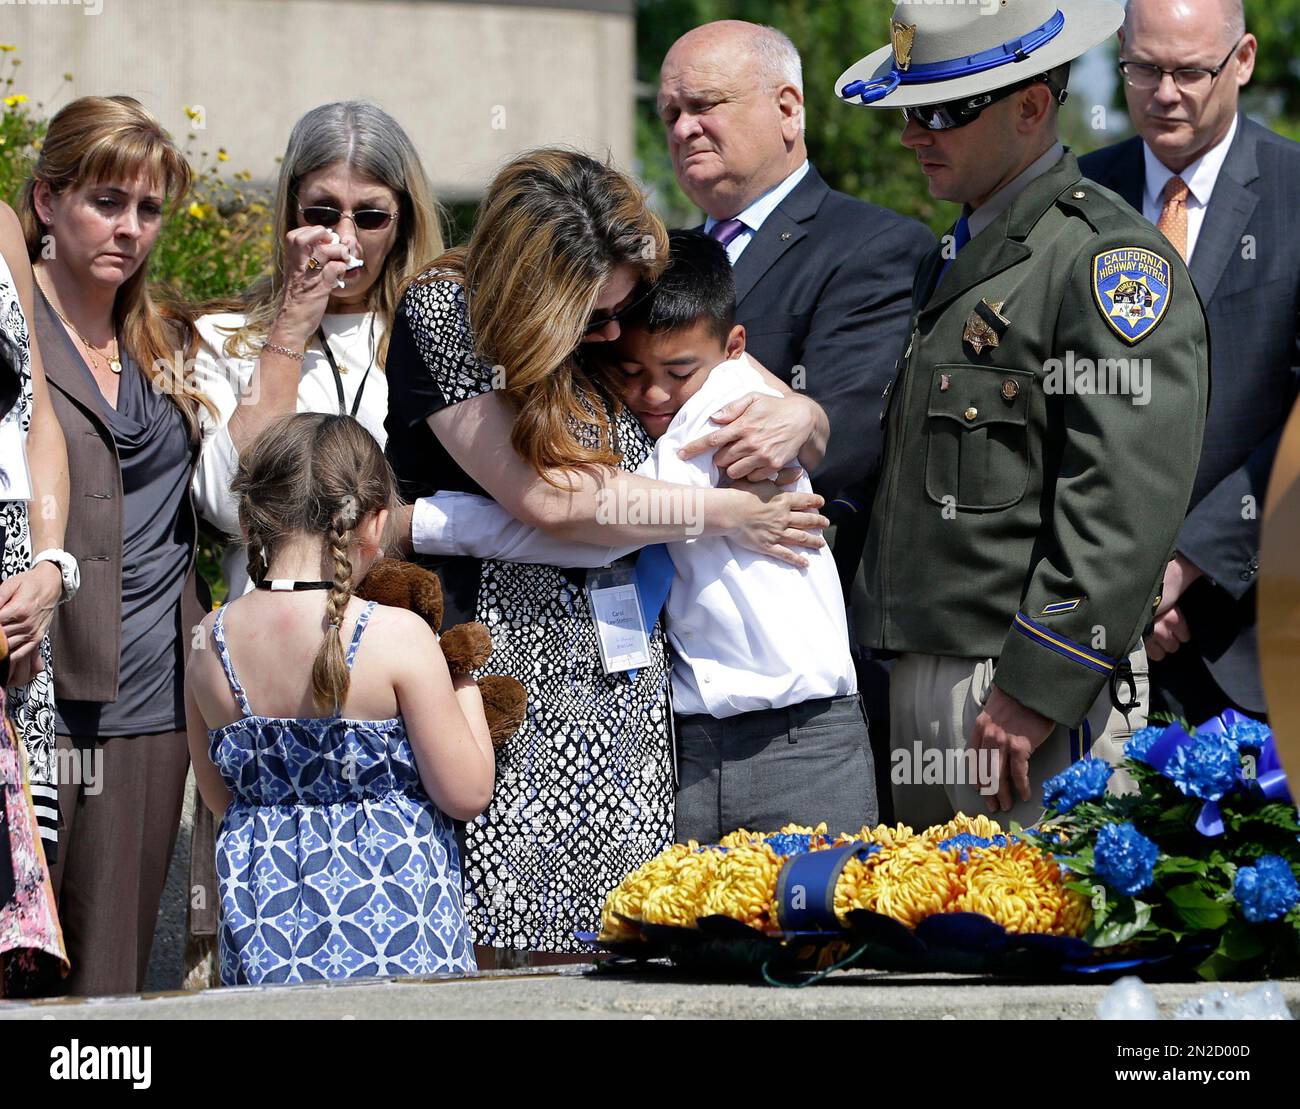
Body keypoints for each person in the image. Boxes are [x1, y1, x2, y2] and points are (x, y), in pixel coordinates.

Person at [384, 149, 829, 960]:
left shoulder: (618, 289)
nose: (615, 336)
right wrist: (728, 511)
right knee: (496, 956)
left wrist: (803, 413)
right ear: (537, 297)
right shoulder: (448, 315)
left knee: (618, 957)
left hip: (620, 691)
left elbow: (766, 396)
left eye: (620, 312)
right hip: (494, 677)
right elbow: (553, 500)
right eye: (593, 322)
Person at [835, 0, 1210, 827]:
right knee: (935, 945)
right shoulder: (962, 253)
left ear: (1032, 107)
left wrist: (1039, 683)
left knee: (1032, 946)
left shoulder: (1105, 260)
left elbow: (1121, 500)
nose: (912, 135)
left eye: (941, 111)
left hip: (1023, 690)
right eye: (907, 109)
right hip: (931, 679)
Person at [410, 231, 877, 841]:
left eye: (678, 371)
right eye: (628, 371)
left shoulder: (720, 413)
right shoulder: (684, 396)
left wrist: (422, 522)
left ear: (733, 349)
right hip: (698, 744)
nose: (654, 393)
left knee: (816, 929)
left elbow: (588, 527)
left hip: (799, 744)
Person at [658, 21, 934, 819]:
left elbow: (849, 425)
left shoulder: (874, 245)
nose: (682, 128)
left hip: (799, 685)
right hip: (668, 684)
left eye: (704, 104)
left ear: (788, 108)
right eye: (670, 111)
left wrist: (800, 416)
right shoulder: (656, 263)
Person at [20, 95, 218, 996]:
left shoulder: (168, 338)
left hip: (149, 695)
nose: (130, 228)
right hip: (30, 684)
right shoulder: (8, 327)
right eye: (106, 200)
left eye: (148, 209)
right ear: (46, 200)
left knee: (110, 984)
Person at [186, 413, 492, 984]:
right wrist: (464, 687)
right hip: (402, 932)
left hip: (265, 937)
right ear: (374, 524)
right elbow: (466, 792)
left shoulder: (208, 640)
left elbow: (219, 798)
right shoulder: (399, 635)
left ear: (251, 522)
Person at [1080, 0, 1300, 724]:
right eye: (1143, 68)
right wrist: (1122, 586)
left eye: (1190, 71)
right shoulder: (1074, 201)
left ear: (1242, 61)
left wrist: (1186, 569)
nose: (1164, 92)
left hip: (1253, 638)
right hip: (1085, 645)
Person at [191, 100, 443, 597]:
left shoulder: (436, 336)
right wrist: (288, 329)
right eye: (323, 212)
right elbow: (225, 505)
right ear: (291, 209)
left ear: (404, 223)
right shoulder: (223, 334)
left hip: (404, 644)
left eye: (371, 216)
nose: (344, 239)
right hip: (272, 646)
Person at [0, 199, 71, 997]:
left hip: (20, 594)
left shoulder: (2, 227)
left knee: (17, 934)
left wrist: (51, 567)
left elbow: (36, 415)